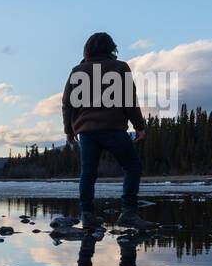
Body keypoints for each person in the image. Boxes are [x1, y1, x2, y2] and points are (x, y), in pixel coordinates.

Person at [61, 32, 154, 231]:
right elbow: (129, 99)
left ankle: (87, 215)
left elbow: (67, 104)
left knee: (88, 173)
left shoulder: (77, 70)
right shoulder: (120, 67)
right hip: (113, 128)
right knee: (132, 167)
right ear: (111, 48)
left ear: (88, 49)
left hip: (86, 132)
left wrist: (69, 130)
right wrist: (139, 127)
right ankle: (128, 212)